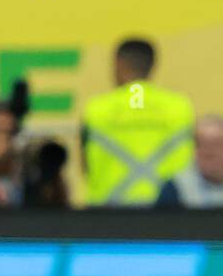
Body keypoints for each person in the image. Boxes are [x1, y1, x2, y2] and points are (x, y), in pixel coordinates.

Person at [81, 38, 195, 207]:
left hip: (107, 214)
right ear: (153, 65)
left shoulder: (96, 109)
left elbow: (85, 166)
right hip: (168, 213)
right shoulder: (180, 107)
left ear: (118, 64)